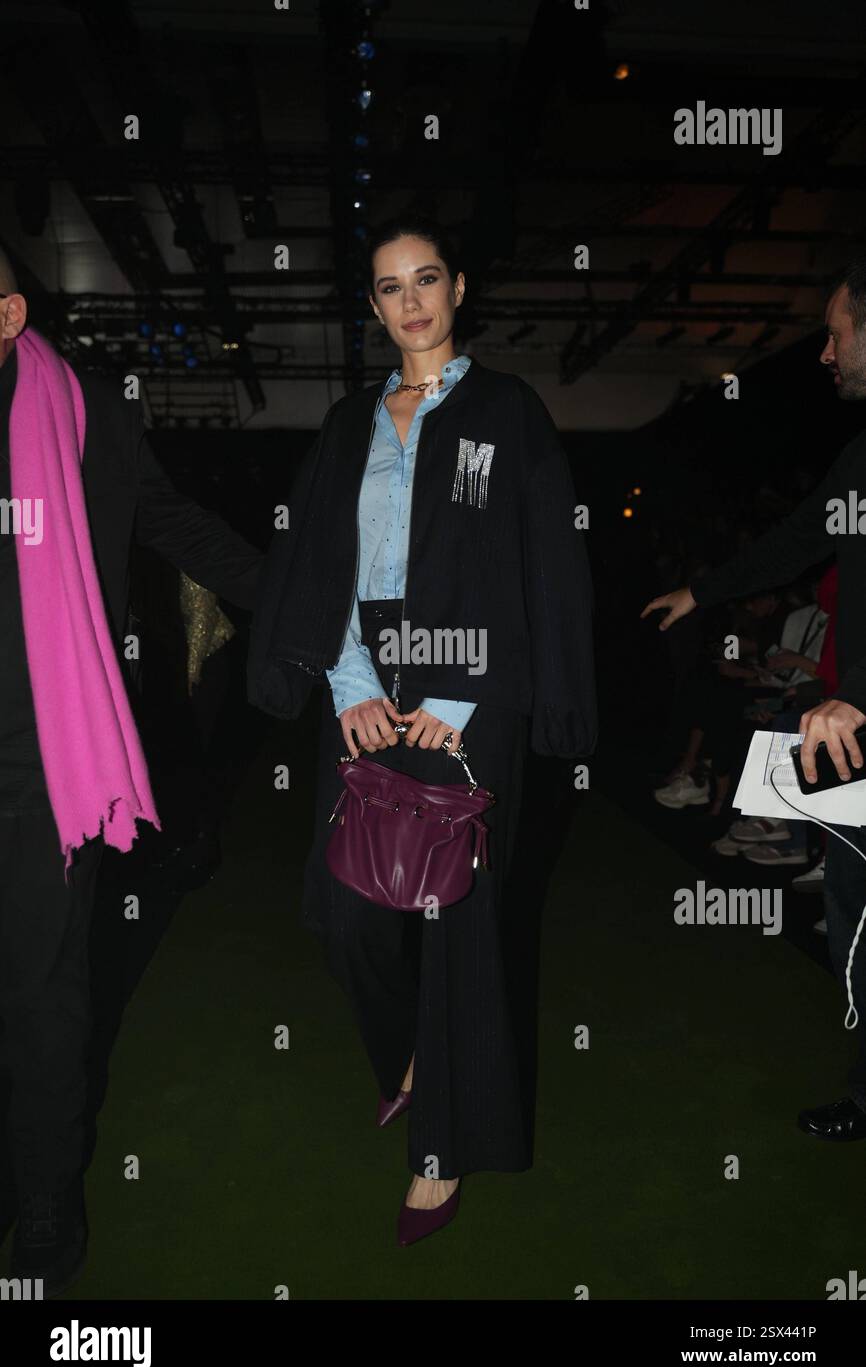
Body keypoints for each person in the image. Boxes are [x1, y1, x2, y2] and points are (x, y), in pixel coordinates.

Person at [249, 214, 598, 1244]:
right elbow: (322, 564)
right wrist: (345, 679)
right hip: (363, 680)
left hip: (471, 696)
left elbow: (533, 567)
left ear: (457, 289)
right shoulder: (349, 421)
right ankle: (408, 1056)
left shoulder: (506, 410)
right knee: (344, 913)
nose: (409, 301)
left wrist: (457, 700)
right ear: (372, 305)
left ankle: (440, 1155)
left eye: (426, 279)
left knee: (457, 931)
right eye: (388, 286)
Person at [0, 246, 262, 1294]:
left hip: (39, 766)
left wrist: (301, 597)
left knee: (43, 999)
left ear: (8, 311)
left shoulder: (88, 415)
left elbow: (172, 522)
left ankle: (47, 1206)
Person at [640, 254, 866, 1144]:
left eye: (837, 329)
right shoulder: (860, 455)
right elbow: (797, 538)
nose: (824, 351)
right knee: (851, 907)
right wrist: (705, 591)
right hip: (852, 731)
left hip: (855, 713)